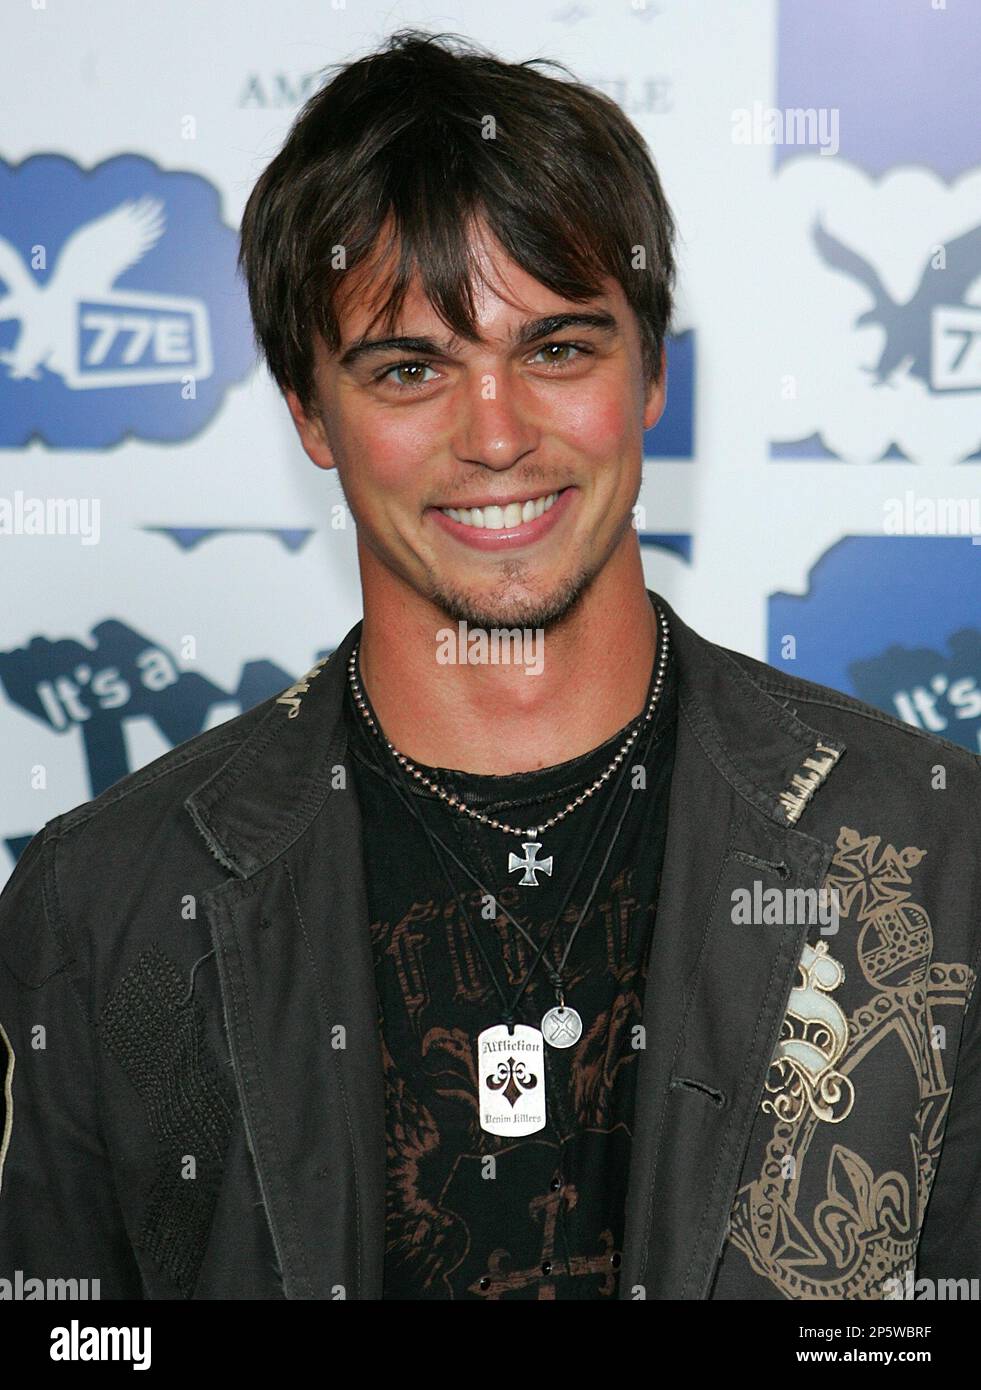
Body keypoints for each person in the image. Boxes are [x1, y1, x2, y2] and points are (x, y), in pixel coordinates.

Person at [0, 28, 978, 1302]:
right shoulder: (106, 903)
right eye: (411, 369)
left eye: (559, 349)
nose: (500, 435)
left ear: (652, 377)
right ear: (308, 411)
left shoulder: (939, 853)